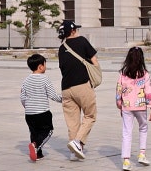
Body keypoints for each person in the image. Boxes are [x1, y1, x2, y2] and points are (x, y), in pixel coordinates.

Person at [57, 20, 99, 160]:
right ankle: (77, 142)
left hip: (66, 89)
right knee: (90, 115)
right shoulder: (81, 41)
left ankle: (74, 152)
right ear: (73, 31)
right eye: (77, 29)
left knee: (72, 121)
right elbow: (95, 61)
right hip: (81, 85)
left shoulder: (62, 47)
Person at [115, 46, 151, 171]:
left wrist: (119, 104)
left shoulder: (123, 74)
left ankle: (126, 161)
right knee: (143, 128)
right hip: (141, 106)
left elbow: (119, 90)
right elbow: (149, 91)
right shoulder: (145, 75)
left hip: (127, 106)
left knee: (126, 132)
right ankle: (142, 154)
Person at [20, 53, 62, 161]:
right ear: (40, 66)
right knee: (48, 131)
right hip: (42, 112)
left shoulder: (26, 80)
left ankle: (38, 154)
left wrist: (28, 107)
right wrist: (63, 99)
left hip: (29, 114)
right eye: (45, 64)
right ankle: (36, 145)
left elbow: (23, 97)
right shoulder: (45, 79)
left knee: (34, 133)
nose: (45, 66)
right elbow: (52, 95)